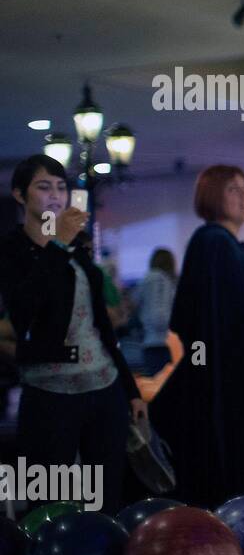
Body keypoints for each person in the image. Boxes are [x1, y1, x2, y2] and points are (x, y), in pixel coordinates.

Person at [0, 155, 147, 515]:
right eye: (43, 187)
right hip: (50, 391)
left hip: (104, 386)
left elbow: (101, 326)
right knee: (49, 501)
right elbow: (23, 313)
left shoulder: (79, 249)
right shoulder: (12, 250)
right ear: (20, 196)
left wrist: (130, 390)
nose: (55, 197)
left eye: (61, 187)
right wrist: (56, 245)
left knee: (107, 497)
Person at [148, 165, 244, 508]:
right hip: (230, 381)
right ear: (213, 196)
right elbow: (238, 316)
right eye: (233, 189)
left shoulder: (227, 245)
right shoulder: (215, 242)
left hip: (234, 378)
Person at [134, 248, 178, 375]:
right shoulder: (161, 279)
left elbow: (137, 303)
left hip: (149, 342)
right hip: (163, 342)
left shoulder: (146, 279)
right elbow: (159, 316)